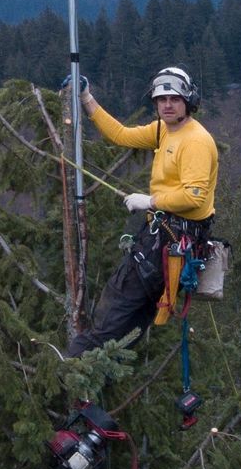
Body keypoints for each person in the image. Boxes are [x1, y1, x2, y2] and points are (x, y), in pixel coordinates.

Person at [62, 65, 220, 357]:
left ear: (188, 101)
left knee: (118, 309)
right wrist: (86, 98)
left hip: (170, 241)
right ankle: (95, 378)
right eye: (162, 100)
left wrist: (150, 202)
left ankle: (76, 373)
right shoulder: (164, 130)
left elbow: (194, 197)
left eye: (174, 99)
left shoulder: (195, 141)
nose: (167, 105)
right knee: (134, 318)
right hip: (165, 240)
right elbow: (121, 134)